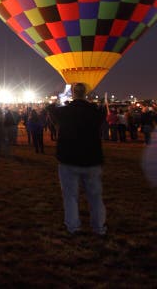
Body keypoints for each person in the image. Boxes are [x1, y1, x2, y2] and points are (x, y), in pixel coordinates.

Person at [50, 83, 106, 235]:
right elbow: (103, 112)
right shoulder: (96, 112)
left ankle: (73, 227)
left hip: (68, 159)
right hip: (92, 159)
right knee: (95, 196)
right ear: (86, 93)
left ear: (73, 93)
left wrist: (58, 99)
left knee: (70, 196)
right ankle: (99, 227)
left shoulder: (63, 112)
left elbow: (51, 110)